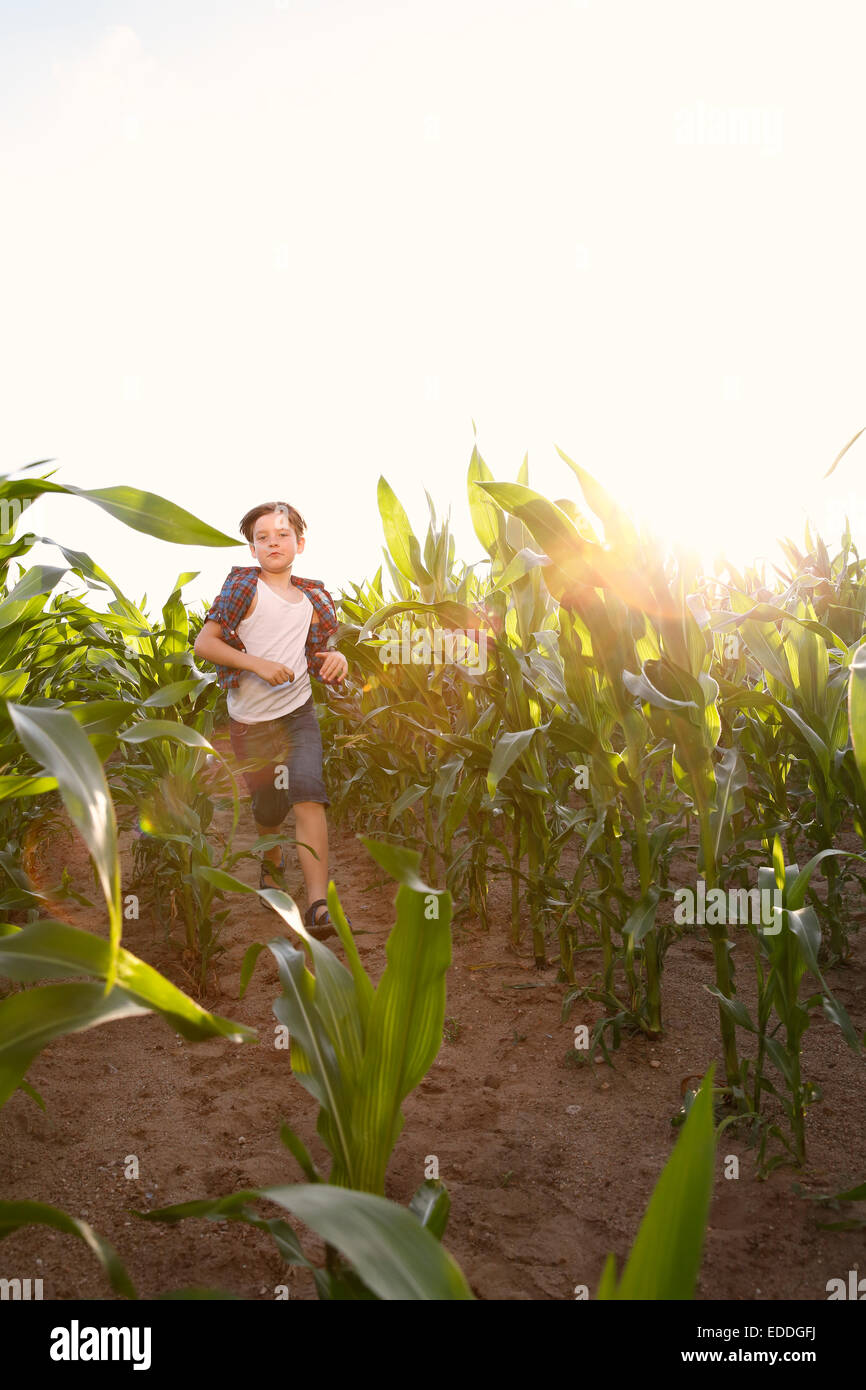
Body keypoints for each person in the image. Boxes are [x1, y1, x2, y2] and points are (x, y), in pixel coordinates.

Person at [193, 500, 349, 940]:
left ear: (300, 543)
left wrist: (336, 657)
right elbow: (205, 645)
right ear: (252, 549)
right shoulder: (244, 587)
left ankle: (318, 905)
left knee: (308, 794)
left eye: (282, 535)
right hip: (250, 723)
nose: (272, 543)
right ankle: (273, 859)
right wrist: (256, 664)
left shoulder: (313, 597)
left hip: (297, 714)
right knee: (268, 808)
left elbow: (319, 654)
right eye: (262, 538)